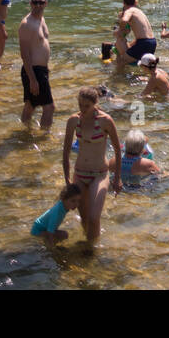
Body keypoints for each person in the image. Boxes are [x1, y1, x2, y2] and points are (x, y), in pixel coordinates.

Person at [62, 87, 122, 245]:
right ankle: (88, 245)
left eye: (86, 106)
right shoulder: (73, 120)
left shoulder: (106, 121)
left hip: (100, 174)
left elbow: (117, 151)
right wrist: (67, 180)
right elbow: (66, 152)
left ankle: (92, 251)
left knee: (94, 218)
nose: (82, 109)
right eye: (80, 105)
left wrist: (117, 179)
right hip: (80, 174)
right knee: (85, 218)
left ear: (95, 104)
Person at [19, 0, 55, 128]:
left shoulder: (41, 20)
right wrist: (33, 79)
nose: (38, 5)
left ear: (46, 3)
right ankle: (44, 137)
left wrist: (46, 67)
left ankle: (24, 131)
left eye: (41, 2)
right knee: (49, 107)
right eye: (35, 2)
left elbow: (41, 46)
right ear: (30, 3)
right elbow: (25, 54)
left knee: (31, 105)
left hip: (41, 70)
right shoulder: (27, 24)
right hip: (33, 71)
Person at [116, 0, 156, 64]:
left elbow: (124, 20)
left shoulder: (129, 10)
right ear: (135, 2)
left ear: (123, 3)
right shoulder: (139, 11)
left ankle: (120, 75)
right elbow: (141, 37)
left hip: (143, 43)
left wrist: (120, 30)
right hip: (152, 42)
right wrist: (129, 46)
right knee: (139, 61)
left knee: (122, 60)